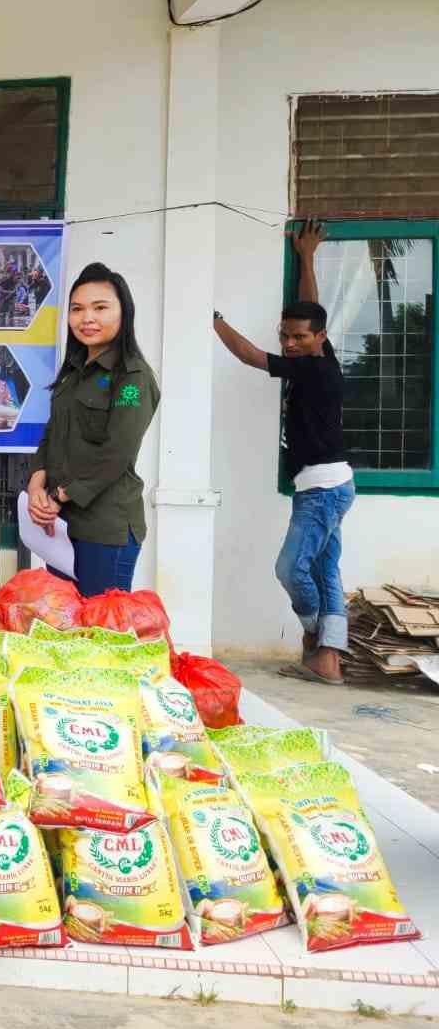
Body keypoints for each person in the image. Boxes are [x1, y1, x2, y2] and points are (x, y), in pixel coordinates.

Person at [213, 221, 352, 686]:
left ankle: (315, 640)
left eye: (300, 337)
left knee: (291, 569)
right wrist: (306, 259)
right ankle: (328, 660)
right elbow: (310, 309)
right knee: (324, 568)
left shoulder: (314, 372)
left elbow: (252, 356)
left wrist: (212, 320)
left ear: (320, 337)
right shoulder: (320, 354)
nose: (290, 343)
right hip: (329, 484)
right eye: (285, 335)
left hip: (322, 489)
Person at [26, 263, 160, 596]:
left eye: (100, 308)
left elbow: (117, 453)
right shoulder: (73, 371)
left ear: (123, 312)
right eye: (77, 309)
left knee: (100, 631)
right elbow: (52, 433)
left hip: (104, 527)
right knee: (66, 627)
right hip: (59, 525)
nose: (87, 318)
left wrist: (58, 496)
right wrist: (35, 486)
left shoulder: (133, 378)